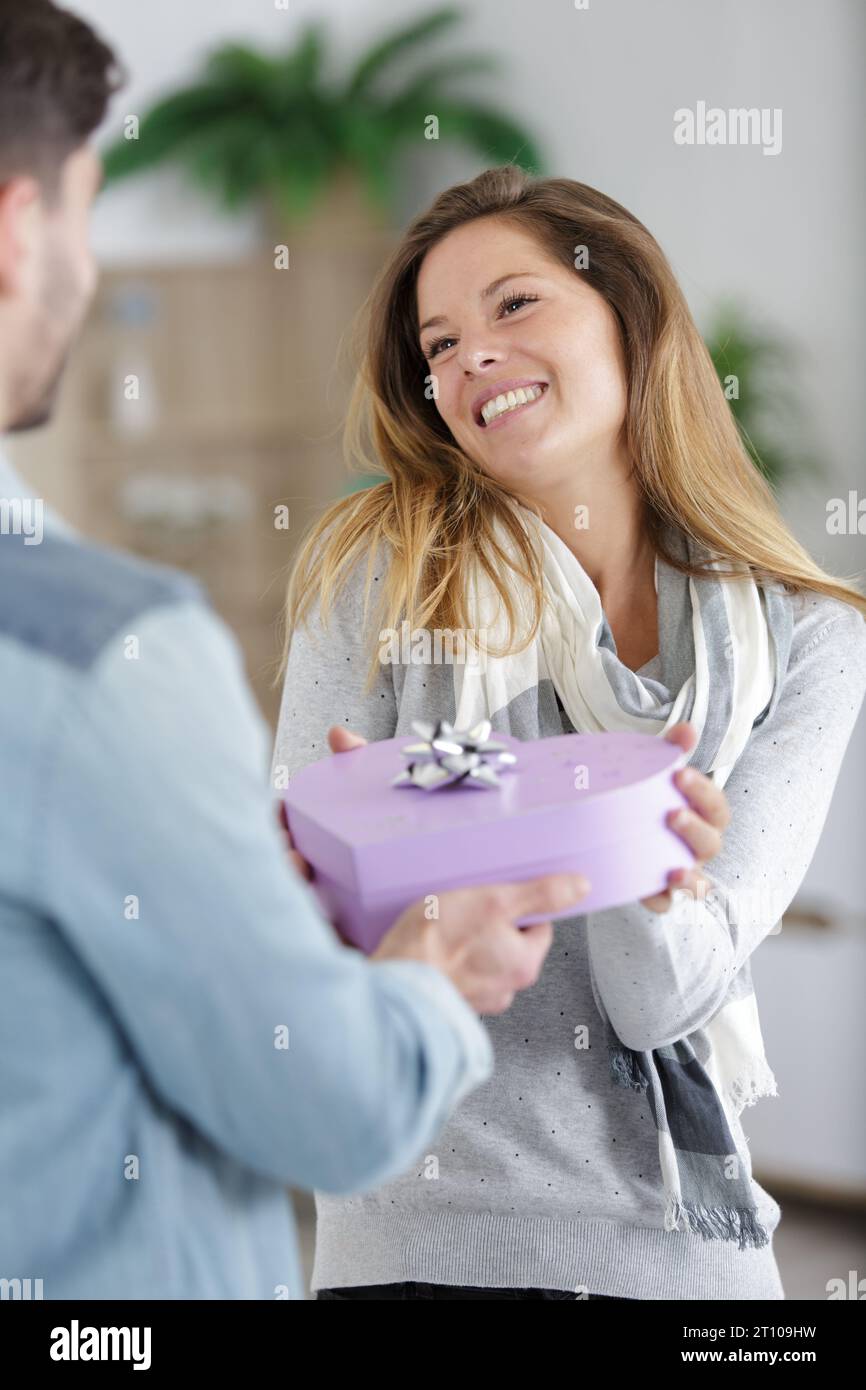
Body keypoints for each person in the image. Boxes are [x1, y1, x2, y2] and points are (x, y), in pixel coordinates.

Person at [0, 0, 590, 1301]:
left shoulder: (788, 620)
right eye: (89, 214)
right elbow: (330, 1100)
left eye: (515, 304)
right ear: (17, 233)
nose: (471, 357)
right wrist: (423, 957)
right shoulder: (108, 655)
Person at [273, 165, 866, 1300]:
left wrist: (643, 869)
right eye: (435, 345)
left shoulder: (808, 639)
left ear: (629, 317)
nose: (465, 358)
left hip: (682, 1257)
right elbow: (295, 949)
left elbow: (656, 1004)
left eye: (512, 304)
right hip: (414, 1250)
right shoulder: (382, 576)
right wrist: (352, 855)